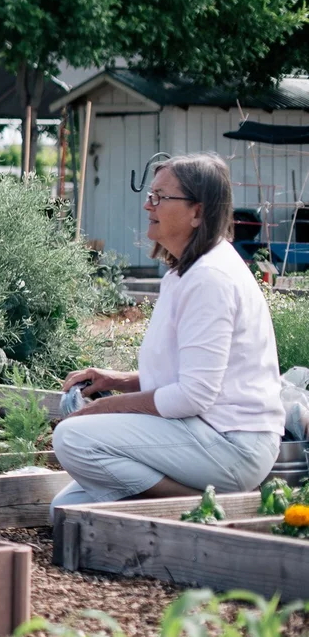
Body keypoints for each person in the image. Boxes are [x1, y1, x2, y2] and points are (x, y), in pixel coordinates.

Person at [50, 152, 284, 511]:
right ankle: (179, 512)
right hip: (201, 433)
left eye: (160, 197)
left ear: (198, 212)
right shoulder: (186, 272)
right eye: (150, 195)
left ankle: (209, 506)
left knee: (72, 438)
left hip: (232, 443)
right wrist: (118, 380)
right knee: (66, 511)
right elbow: (188, 377)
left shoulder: (210, 278)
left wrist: (108, 408)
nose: (148, 205)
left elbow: (193, 395)